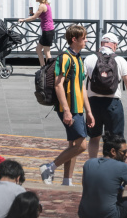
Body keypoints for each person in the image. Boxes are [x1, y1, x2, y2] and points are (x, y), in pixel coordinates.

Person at [39, 24, 94, 186]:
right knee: (82, 145)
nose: (86, 41)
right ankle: (49, 167)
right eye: (84, 38)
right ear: (74, 39)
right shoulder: (65, 58)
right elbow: (58, 85)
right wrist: (67, 111)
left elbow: (82, 87)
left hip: (78, 108)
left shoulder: (78, 58)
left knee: (74, 145)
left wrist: (89, 111)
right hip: (68, 108)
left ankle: (67, 180)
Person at [84, 33, 127, 159]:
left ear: (101, 44)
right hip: (113, 104)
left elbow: (79, 83)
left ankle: (93, 165)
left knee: (94, 138)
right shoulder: (120, 60)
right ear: (114, 45)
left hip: (93, 104)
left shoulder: (89, 59)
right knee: (114, 140)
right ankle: (113, 167)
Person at [78, 133, 127, 218]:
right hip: (108, 215)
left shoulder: (88, 163)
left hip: (84, 213)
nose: (126, 155)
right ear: (113, 151)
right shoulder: (122, 167)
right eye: (123, 152)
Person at [17, 0, 55, 67]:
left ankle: (50, 70)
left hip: (48, 31)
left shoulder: (42, 6)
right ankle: (43, 67)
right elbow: (41, 16)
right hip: (47, 31)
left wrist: (23, 20)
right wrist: (34, 14)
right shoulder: (46, 5)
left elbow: (33, 17)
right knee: (38, 49)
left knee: (47, 52)